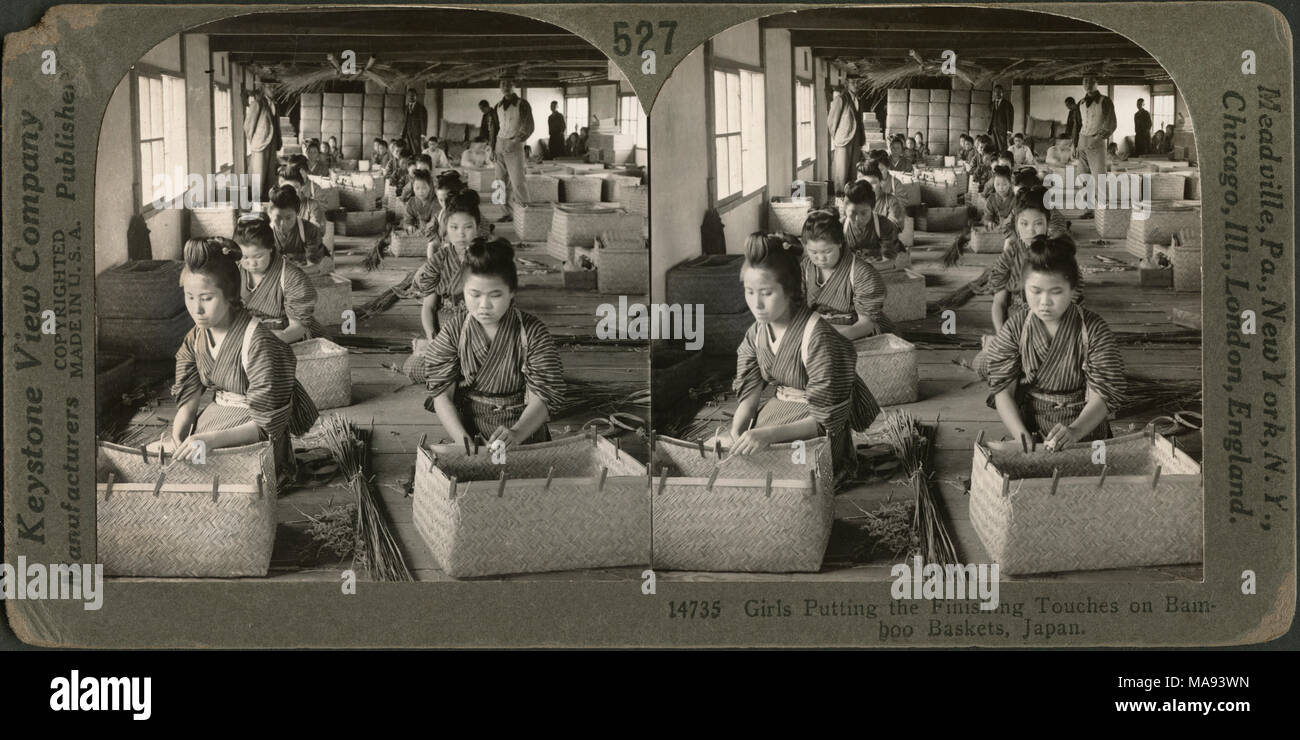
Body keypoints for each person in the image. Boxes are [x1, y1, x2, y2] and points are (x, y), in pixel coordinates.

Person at [724, 233, 880, 487]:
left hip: (816, 425)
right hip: (778, 412)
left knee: (783, 475)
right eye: (749, 292)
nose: (757, 304)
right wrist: (738, 429)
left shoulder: (819, 337)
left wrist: (767, 435)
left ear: (790, 291)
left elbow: (825, 419)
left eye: (767, 293)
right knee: (733, 455)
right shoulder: (755, 333)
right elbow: (749, 397)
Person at [170, 238, 319, 490]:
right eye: (189, 297)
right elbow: (189, 401)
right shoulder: (195, 338)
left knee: (226, 483)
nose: (197, 309)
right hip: (213, 425)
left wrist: (208, 441)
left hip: (253, 430)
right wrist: (179, 435)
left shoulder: (259, 342)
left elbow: (266, 423)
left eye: (206, 298)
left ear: (229, 295)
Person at [421, 238, 565, 449]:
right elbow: (442, 394)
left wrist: (516, 433)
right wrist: (463, 442)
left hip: (524, 430)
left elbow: (542, 397)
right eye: (475, 295)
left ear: (512, 291)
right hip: (470, 429)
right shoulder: (455, 331)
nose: (484, 306)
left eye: (495, 295)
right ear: (464, 289)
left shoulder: (532, 332)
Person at [984, 234, 1124, 447]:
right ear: (1024, 288)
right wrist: (1021, 436)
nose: (1044, 302)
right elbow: (1003, 389)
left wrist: (1075, 432)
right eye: (1035, 291)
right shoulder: (1016, 328)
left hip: (1086, 427)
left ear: (1073, 289)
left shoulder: (1094, 329)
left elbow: (1103, 395)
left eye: (1056, 292)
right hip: (1032, 425)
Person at [989, 186, 1083, 334]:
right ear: (1016, 224)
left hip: (1056, 325)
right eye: (1024, 223)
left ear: (1047, 224)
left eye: (1038, 224)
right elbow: (999, 303)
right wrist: (1002, 336)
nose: (1030, 231)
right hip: (1016, 327)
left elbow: (1071, 300)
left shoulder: (1058, 253)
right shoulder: (1009, 256)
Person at [802, 209, 892, 339]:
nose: (820, 259)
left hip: (856, 331)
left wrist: (829, 339)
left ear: (839, 243)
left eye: (827, 251)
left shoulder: (862, 273)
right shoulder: (805, 268)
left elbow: (866, 324)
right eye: (813, 252)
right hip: (817, 328)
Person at [231, 218, 324, 343]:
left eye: (258, 256)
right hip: (246, 333)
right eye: (245, 257)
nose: (252, 263)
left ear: (270, 248)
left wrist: (262, 341)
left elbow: (298, 328)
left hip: (286, 337)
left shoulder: (292, 277)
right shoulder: (234, 268)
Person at [413, 189, 483, 340]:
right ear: (446, 228)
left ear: (477, 227)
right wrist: (432, 338)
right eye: (454, 227)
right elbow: (429, 306)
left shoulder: (487, 257)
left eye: (468, 227)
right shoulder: (438, 260)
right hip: (446, 331)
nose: (461, 234)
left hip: (481, 328)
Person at [266, 185, 331, 275]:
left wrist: (288, 273)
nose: (283, 223)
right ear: (269, 214)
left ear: (296, 214)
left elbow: (315, 266)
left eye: (288, 218)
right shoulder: (266, 232)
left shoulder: (310, 230)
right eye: (278, 218)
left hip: (308, 276)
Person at [493, 77, 534, 218]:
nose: (505, 87)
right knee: (499, 183)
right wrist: (492, 147)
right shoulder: (497, 106)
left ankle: (525, 215)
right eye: (503, 84)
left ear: (514, 86)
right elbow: (494, 128)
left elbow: (529, 126)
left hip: (514, 144)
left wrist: (516, 140)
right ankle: (505, 213)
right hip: (499, 144)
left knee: (518, 182)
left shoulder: (522, 104)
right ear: (500, 87)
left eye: (509, 84)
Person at [1076, 75, 1116, 216]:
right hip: (1082, 141)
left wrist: (1098, 137)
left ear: (1097, 83)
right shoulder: (1080, 103)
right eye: (1085, 81)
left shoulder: (1105, 101)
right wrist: (1075, 145)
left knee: (1099, 177)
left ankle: (1101, 211)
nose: (1088, 84)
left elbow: (1111, 123)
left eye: (1091, 81)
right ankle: (1089, 209)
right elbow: (1077, 125)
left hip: (1096, 141)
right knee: (1083, 177)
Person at [841, 180, 903, 267]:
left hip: (882, 271)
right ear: (845, 209)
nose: (858, 219)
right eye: (853, 213)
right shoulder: (840, 226)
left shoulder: (885, 225)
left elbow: (890, 261)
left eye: (864, 213)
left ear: (872, 208)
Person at [244, 87, 278, 201]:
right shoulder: (257, 103)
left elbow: (276, 125)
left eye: (276, 87)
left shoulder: (274, 104)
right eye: (272, 87)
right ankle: (255, 204)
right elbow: (248, 126)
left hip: (272, 144)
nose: (274, 89)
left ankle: (267, 203)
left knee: (270, 177)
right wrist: (254, 142)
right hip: (260, 145)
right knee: (258, 177)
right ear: (265, 89)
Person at [828, 83, 861, 190]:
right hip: (843, 141)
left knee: (853, 173)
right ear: (847, 83)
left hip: (856, 140)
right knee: (841, 174)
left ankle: (852, 199)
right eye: (853, 82)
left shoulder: (857, 99)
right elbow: (831, 122)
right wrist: (838, 138)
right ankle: (840, 199)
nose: (857, 84)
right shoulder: (841, 99)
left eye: (859, 82)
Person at [858, 162, 906, 228]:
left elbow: (894, 228)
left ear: (881, 182)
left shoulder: (891, 201)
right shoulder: (855, 199)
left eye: (873, 183)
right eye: (865, 183)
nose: (869, 187)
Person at [402, 169, 439, 235]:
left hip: (431, 234)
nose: (420, 191)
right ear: (413, 188)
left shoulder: (435, 202)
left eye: (424, 188)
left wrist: (426, 228)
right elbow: (407, 220)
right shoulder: (411, 202)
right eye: (417, 188)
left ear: (430, 187)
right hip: (415, 235)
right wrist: (410, 226)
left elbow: (435, 221)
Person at [983, 166, 1016, 230]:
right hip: (995, 230)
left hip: (1011, 230)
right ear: (993, 184)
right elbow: (987, 217)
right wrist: (989, 223)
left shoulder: (1015, 198)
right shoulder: (991, 199)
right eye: (997, 184)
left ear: (1010, 184)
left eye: (1004, 184)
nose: (1001, 188)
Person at [401, 88, 428, 156]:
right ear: (407, 96)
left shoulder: (421, 108)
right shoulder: (405, 107)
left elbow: (423, 121)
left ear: (416, 96)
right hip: (407, 133)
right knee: (408, 150)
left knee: (417, 150)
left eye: (413, 95)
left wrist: (423, 134)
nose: (411, 97)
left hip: (417, 133)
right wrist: (403, 133)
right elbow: (404, 121)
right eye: (409, 95)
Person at [988, 85, 1015, 152]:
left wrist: (1009, 131)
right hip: (994, 129)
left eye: (999, 92)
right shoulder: (992, 104)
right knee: (995, 145)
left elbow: (1010, 118)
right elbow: (990, 117)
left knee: (1003, 146)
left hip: (1003, 129)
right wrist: (989, 127)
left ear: (1002, 93)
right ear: (993, 93)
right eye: (995, 92)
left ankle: (1003, 159)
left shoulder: (1007, 104)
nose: (997, 93)